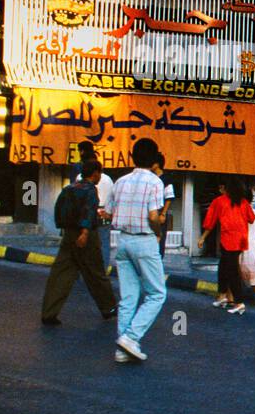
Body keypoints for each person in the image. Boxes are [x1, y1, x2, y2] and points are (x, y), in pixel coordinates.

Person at [108, 139, 167, 363]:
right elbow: (153, 216)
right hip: (144, 240)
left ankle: (122, 349)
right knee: (157, 293)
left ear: (133, 157)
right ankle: (131, 338)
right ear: (154, 160)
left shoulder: (120, 181)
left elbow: (109, 212)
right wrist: (158, 231)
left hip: (122, 241)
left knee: (128, 297)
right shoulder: (155, 182)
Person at [41, 158, 117, 326]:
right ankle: (109, 307)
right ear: (96, 173)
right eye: (100, 173)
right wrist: (84, 232)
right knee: (96, 272)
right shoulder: (90, 191)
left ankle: (49, 312)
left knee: (61, 273)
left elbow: (59, 210)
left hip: (69, 234)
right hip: (86, 235)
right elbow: (88, 212)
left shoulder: (69, 188)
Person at [199, 179, 255, 314]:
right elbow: (252, 218)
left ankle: (238, 302)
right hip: (241, 239)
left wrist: (203, 237)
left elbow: (210, 221)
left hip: (228, 239)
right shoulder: (243, 203)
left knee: (231, 271)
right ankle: (223, 295)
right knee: (224, 266)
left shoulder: (219, 201)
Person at [75, 141, 115, 276]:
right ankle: (101, 271)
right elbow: (112, 198)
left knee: (86, 243)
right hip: (103, 214)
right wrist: (109, 213)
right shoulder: (108, 179)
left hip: (87, 215)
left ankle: (86, 270)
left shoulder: (81, 178)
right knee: (103, 244)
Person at [151, 153, 175, 261]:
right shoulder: (150, 177)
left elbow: (169, 197)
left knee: (160, 239)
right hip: (150, 212)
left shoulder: (166, 178)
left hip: (159, 211)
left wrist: (163, 213)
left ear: (157, 164)